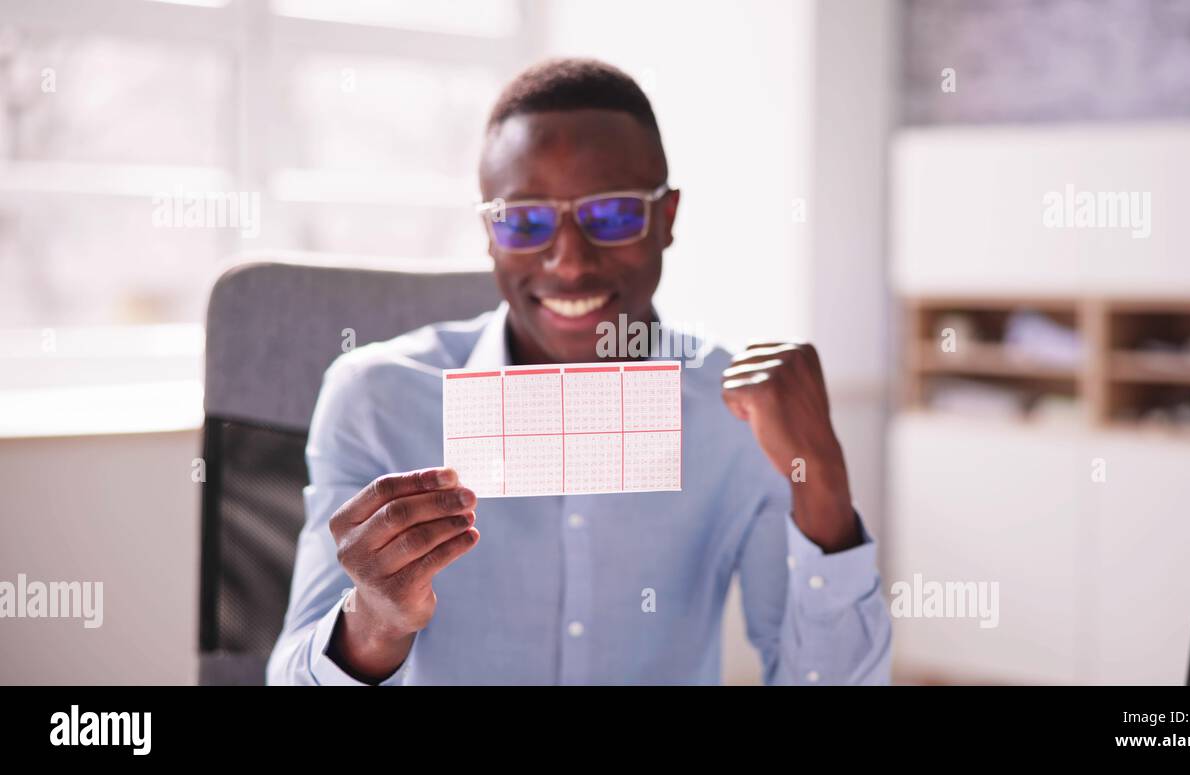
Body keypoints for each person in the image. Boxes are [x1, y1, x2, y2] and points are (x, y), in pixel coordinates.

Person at [267, 58, 890, 685]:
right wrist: (375, 620)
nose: (569, 263)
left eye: (612, 215)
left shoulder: (741, 414)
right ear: (489, 232)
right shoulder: (376, 402)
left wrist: (827, 491)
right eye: (525, 220)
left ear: (666, 220)